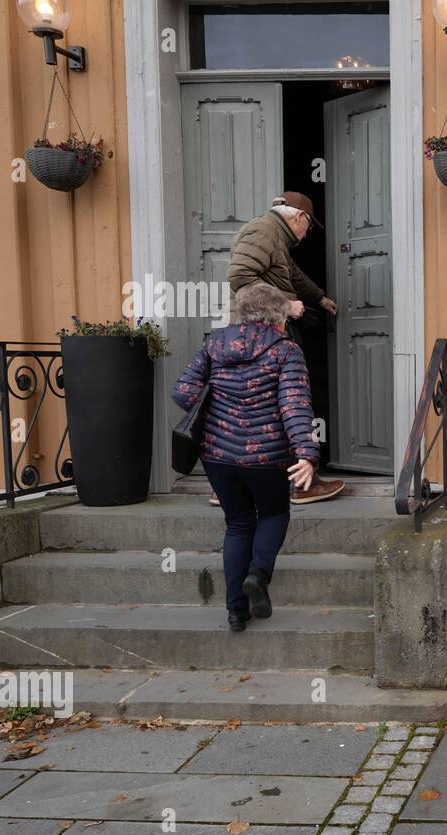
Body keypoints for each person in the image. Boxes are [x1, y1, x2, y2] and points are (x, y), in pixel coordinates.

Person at [173, 282, 319, 633]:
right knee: (273, 514)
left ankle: (236, 611)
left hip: (218, 455)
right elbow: (294, 406)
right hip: (267, 456)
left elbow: (183, 391)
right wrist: (306, 453)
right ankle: (258, 574)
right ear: (277, 315)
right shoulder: (286, 350)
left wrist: (220, 409)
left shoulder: (213, 344)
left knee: (238, 523)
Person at [221, 190, 344, 505]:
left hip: (266, 332)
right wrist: (286, 305)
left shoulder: (276, 236)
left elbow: (291, 275)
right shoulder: (263, 230)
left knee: (260, 405)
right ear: (299, 218)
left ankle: (228, 488)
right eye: (309, 227)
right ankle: (302, 484)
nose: (307, 234)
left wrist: (319, 298)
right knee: (288, 403)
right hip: (263, 334)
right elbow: (240, 277)